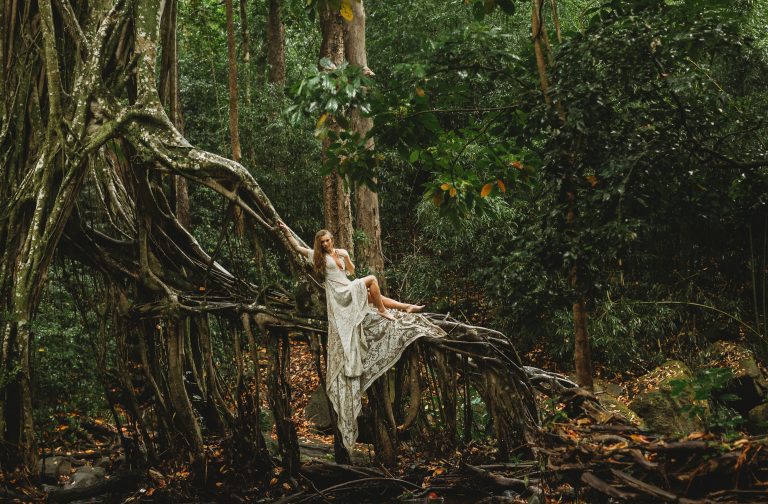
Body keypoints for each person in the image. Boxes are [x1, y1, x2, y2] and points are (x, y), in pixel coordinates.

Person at [277, 220, 424, 322]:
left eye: (327, 240)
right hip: (339, 292)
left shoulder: (340, 252)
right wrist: (286, 231)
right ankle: (382, 310)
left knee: (375, 296)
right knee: (372, 279)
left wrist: (346, 257)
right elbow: (297, 248)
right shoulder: (318, 256)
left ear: (332, 239)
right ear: (319, 244)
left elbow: (352, 271)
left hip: (347, 285)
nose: (325, 243)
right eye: (322, 242)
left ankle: (407, 307)